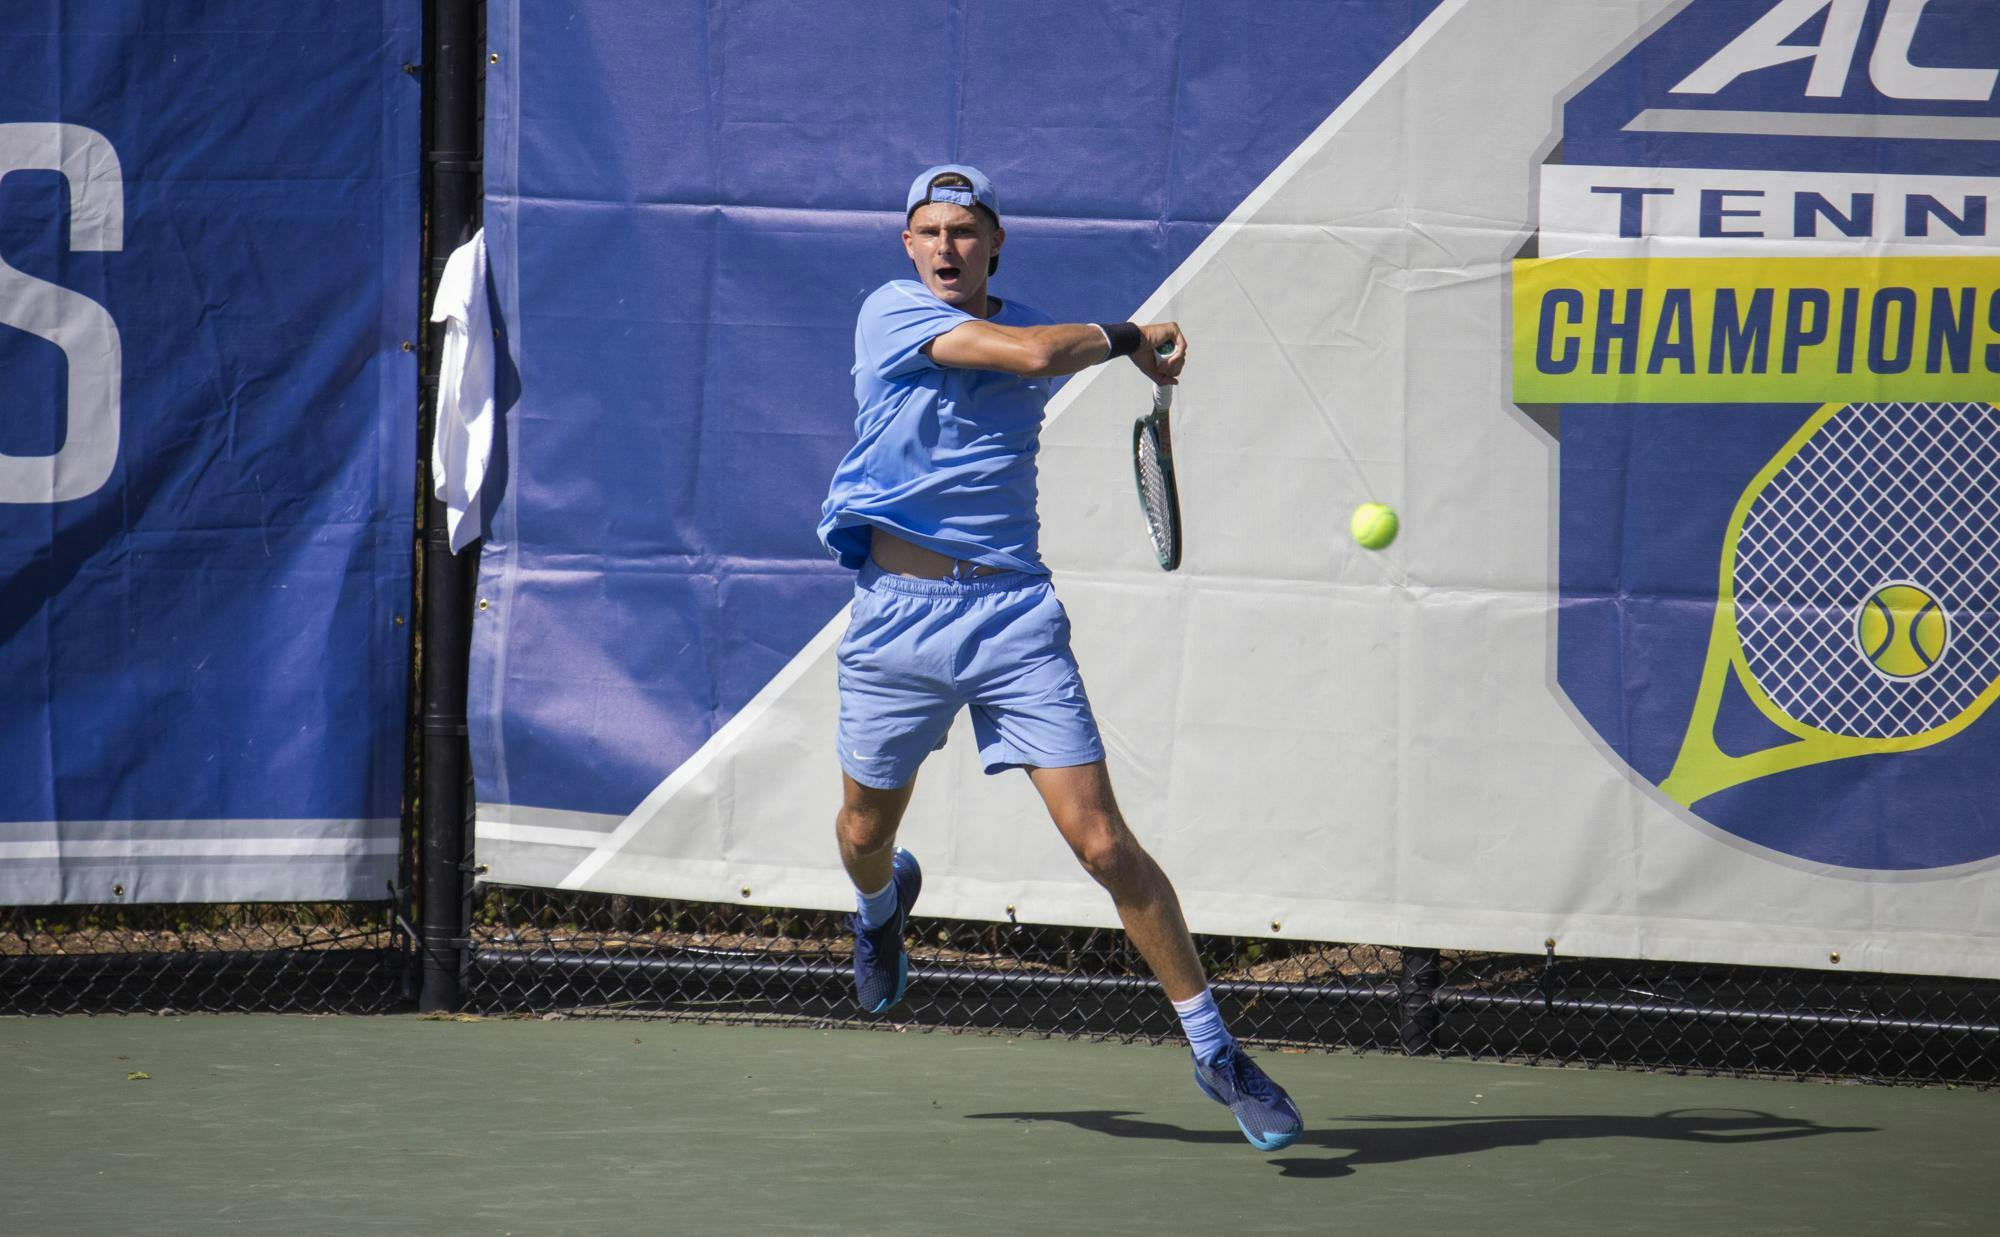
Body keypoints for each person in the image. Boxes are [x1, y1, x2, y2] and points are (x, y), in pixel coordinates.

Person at [816, 165, 1303, 1152]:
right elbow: (1035, 353)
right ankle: (878, 908)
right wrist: (1130, 338)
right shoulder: (890, 312)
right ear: (906, 248)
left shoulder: (1034, 320)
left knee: (1102, 845)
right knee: (864, 827)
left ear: (995, 243)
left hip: (1011, 618)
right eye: (927, 231)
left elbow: (1042, 342)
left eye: (964, 230)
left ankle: (1214, 1049)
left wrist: (1116, 348)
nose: (945, 246)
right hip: (893, 619)